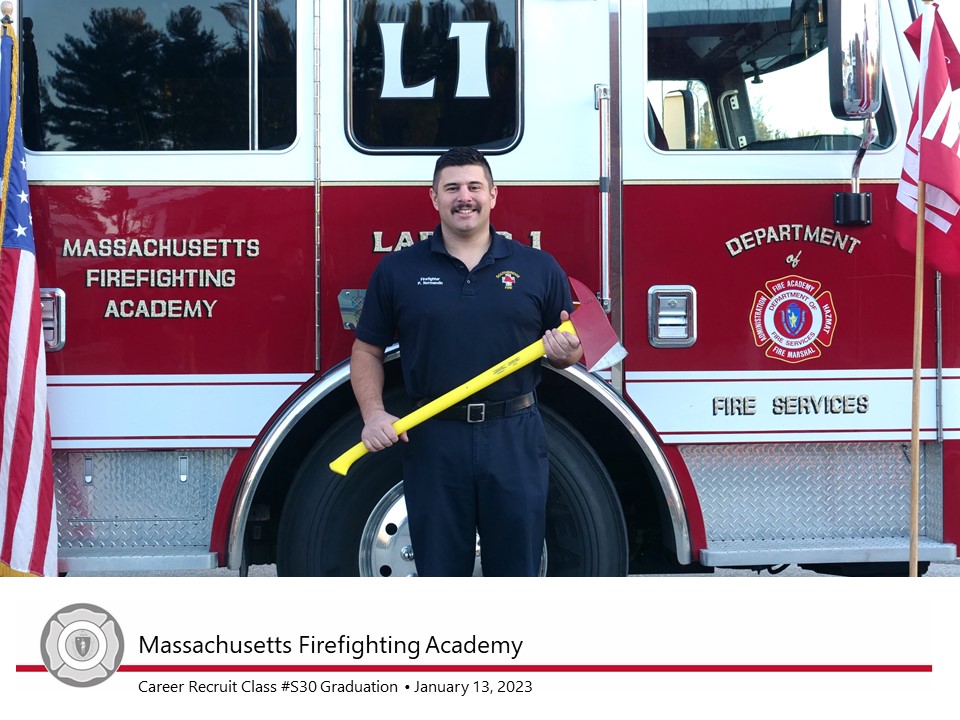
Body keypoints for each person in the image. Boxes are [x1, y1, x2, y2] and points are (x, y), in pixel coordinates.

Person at [349, 146, 582, 577]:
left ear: (494, 195)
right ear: (433, 198)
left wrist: (567, 355)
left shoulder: (538, 268)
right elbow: (366, 350)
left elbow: (570, 350)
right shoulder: (399, 270)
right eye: (452, 187)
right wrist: (374, 413)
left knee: (517, 571)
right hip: (434, 438)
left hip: (514, 437)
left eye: (475, 186)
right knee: (440, 572)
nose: (464, 197)